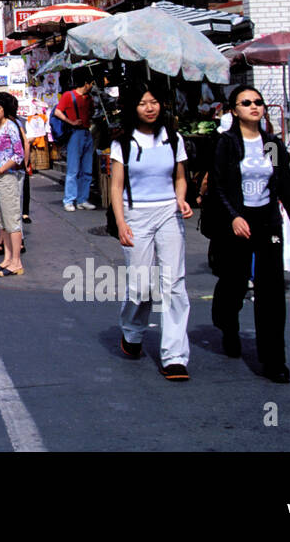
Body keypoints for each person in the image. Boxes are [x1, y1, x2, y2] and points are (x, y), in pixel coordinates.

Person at [203, 85, 290, 384]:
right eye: (246, 102)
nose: (254, 106)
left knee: (272, 292)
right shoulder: (226, 144)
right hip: (236, 220)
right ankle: (227, 325)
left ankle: (274, 360)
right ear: (234, 110)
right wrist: (235, 217)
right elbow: (219, 187)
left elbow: (286, 186)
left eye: (258, 102)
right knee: (234, 282)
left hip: (267, 222)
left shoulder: (272, 145)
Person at [109, 81, 193, 381]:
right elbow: (116, 187)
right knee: (141, 285)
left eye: (154, 101)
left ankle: (174, 356)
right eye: (143, 102)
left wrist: (181, 199)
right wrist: (121, 223)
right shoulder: (123, 143)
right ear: (133, 107)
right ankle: (132, 331)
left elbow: (180, 178)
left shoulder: (173, 138)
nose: (149, 107)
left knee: (174, 284)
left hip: (169, 213)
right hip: (136, 215)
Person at [0, 92, 26, 276]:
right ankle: (8, 258)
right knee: (3, 221)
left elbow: (19, 154)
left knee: (12, 220)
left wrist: (2, 168)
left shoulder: (10, 127)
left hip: (7, 176)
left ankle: (16, 261)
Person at [55, 72, 97, 211]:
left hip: (86, 133)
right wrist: (71, 122)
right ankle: (69, 200)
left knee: (87, 169)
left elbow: (91, 113)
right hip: (75, 134)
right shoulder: (68, 95)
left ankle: (82, 199)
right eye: (91, 83)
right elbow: (58, 112)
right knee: (73, 169)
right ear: (86, 83)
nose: (92, 86)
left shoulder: (89, 98)